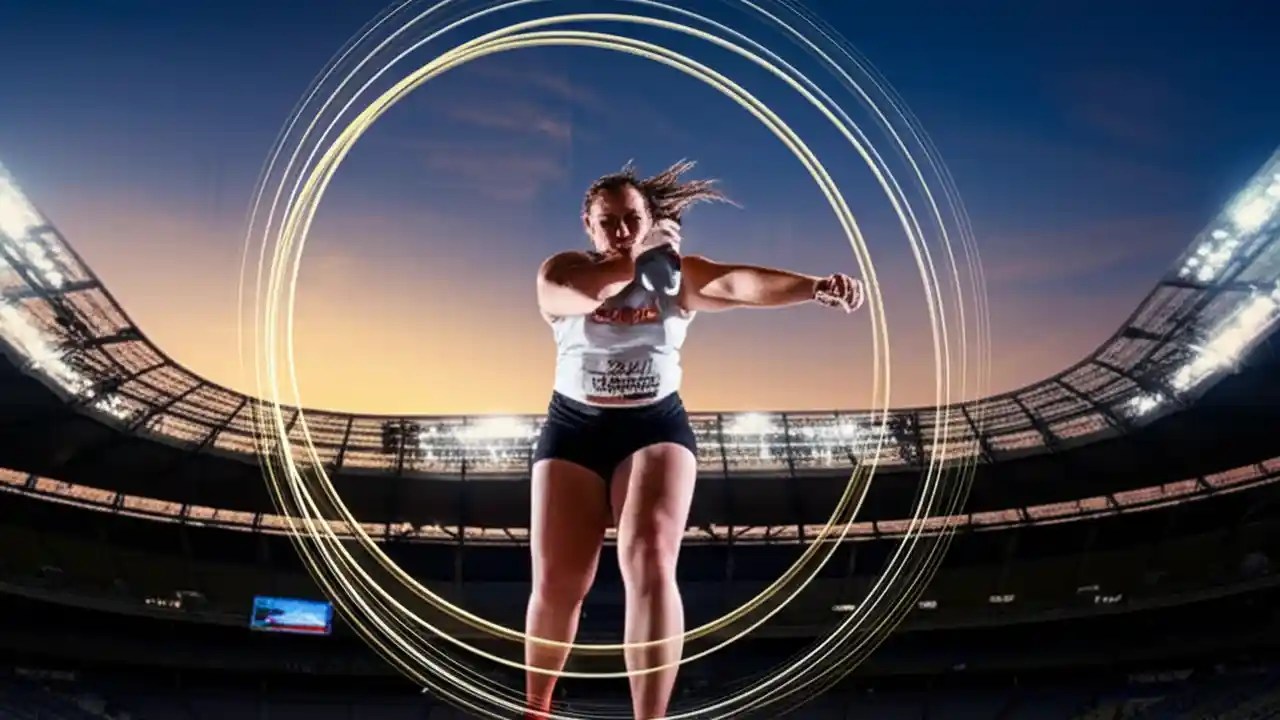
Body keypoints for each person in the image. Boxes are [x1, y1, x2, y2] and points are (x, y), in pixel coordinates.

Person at [526, 160, 864, 719]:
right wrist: (647, 257)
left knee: (650, 561)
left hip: (653, 426)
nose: (620, 231)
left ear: (649, 217)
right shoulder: (561, 269)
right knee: (561, 581)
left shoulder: (675, 274)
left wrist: (814, 287)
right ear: (587, 224)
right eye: (607, 221)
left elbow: (738, 283)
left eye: (632, 219)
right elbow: (581, 295)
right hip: (574, 428)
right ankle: (535, 710)